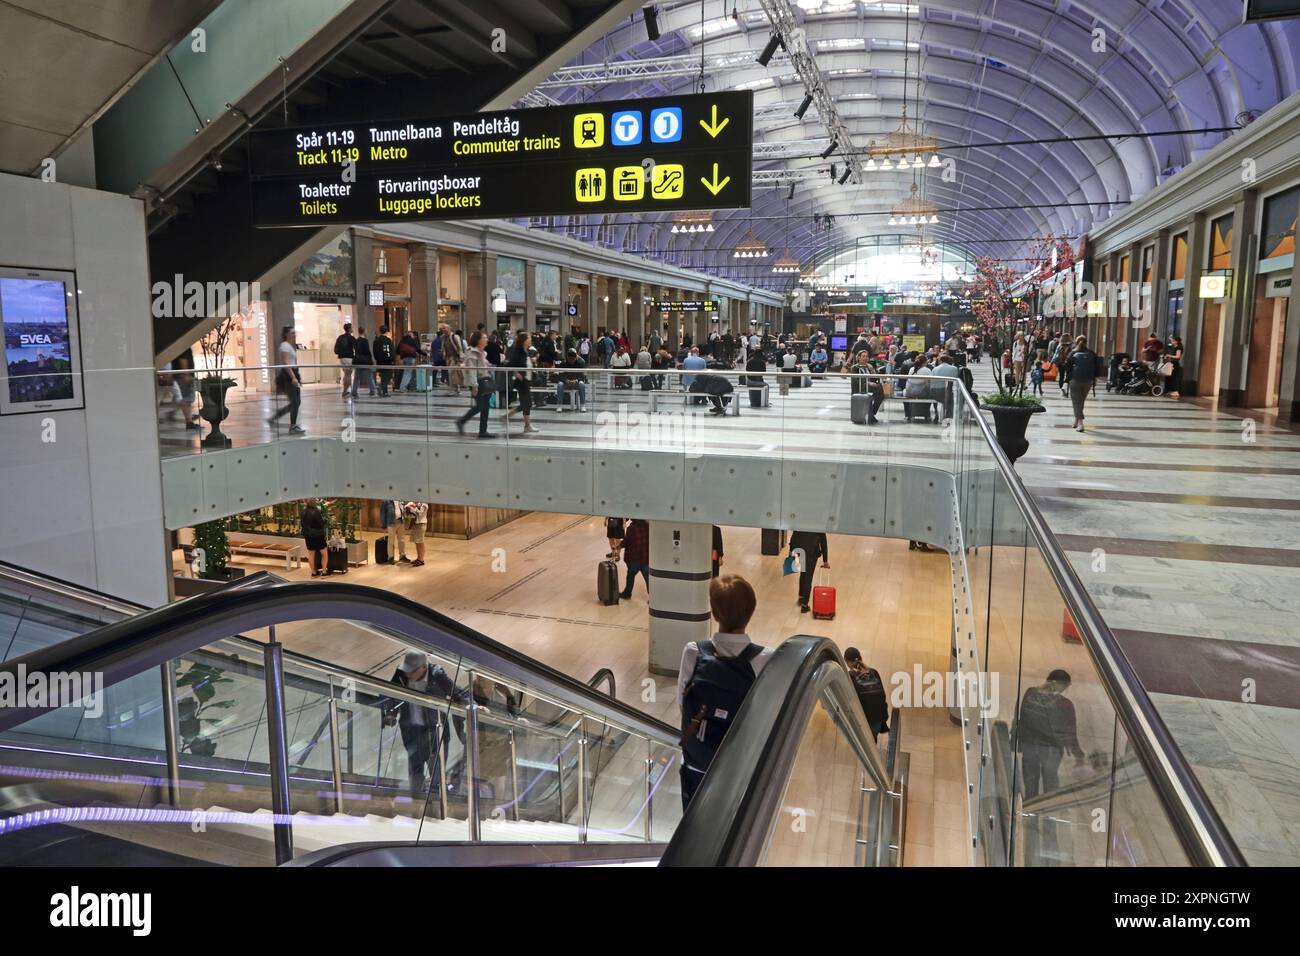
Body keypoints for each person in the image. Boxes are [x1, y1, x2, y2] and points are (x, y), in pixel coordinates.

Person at [677, 574, 772, 808]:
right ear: (751, 612)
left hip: (697, 761)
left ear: (714, 613)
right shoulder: (765, 659)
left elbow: (682, 700)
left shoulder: (694, 652)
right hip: (740, 767)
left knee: (692, 822)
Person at [1013, 669, 1085, 862]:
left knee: (1031, 782)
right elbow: (1069, 731)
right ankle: (1048, 817)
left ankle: (1031, 816)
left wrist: (1018, 743)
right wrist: (1078, 753)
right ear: (1062, 685)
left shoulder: (1030, 693)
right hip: (1051, 751)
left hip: (1030, 747)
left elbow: (1022, 719)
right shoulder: (1065, 705)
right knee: (1051, 781)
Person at [383, 650, 466, 802]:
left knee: (436, 776)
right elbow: (390, 694)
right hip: (412, 732)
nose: (408, 674)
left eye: (412, 671)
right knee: (415, 773)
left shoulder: (437, 675)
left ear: (423, 668)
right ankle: (416, 806)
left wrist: (473, 706)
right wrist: (389, 712)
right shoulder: (401, 673)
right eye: (406, 670)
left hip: (436, 733)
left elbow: (458, 693)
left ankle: (433, 809)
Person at [843, 648, 889, 741]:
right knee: (872, 739)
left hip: (866, 718)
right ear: (860, 657)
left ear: (847, 661)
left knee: (864, 740)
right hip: (879, 716)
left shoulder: (851, 676)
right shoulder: (874, 672)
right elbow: (882, 694)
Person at [456, 330, 496, 438]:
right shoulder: (472, 353)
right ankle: (463, 422)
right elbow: (472, 370)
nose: (486, 339)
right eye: (484, 337)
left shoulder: (482, 352)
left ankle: (482, 431)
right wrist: (474, 385)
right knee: (481, 406)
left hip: (485, 380)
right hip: (477, 382)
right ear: (478, 340)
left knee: (484, 407)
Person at [268, 325, 305, 434]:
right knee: (295, 402)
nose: (294, 334)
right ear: (287, 334)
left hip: (293, 374)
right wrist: (293, 377)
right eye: (292, 333)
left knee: (295, 402)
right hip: (288, 376)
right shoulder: (284, 345)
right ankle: (292, 426)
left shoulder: (289, 345)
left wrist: (297, 377)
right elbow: (286, 362)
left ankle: (274, 419)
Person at [505, 331, 540, 434]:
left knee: (526, 403)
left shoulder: (527, 351)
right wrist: (516, 373)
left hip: (527, 379)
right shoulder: (518, 352)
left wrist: (532, 360)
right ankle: (527, 425)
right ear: (524, 341)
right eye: (528, 338)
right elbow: (510, 364)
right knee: (527, 403)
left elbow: (525, 362)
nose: (530, 340)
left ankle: (508, 416)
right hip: (522, 381)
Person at [788, 529, 829, 614]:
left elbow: (794, 535)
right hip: (812, 552)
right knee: (808, 577)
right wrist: (825, 561)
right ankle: (804, 605)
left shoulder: (804, 521)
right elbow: (823, 543)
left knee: (803, 573)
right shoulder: (819, 525)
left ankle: (801, 597)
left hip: (801, 551)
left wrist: (791, 550)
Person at [1067, 336, 1100, 431]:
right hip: (1088, 381)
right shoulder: (1092, 353)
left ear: (1076, 342)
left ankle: (1081, 424)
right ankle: (1076, 421)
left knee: (1077, 402)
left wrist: (1068, 378)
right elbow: (1097, 367)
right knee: (1081, 401)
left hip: (1075, 380)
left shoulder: (1072, 353)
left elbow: (1067, 366)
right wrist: (1094, 379)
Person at [846, 349, 883, 424]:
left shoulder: (868, 366)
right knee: (878, 389)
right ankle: (871, 415)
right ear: (859, 357)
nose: (865, 358)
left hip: (868, 387)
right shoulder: (855, 368)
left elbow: (876, 378)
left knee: (881, 392)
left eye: (866, 356)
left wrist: (872, 370)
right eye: (863, 356)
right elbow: (856, 380)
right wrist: (869, 383)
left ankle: (872, 413)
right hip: (859, 388)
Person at [618, 517, 649, 599]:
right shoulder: (647, 526)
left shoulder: (631, 528)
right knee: (648, 578)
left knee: (630, 576)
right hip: (645, 557)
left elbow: (627, 541)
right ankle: (653, 598)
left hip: (634, 558)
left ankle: (627, 594)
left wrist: (619, 545)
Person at [300, 498, 328, 576]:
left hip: (308, 535)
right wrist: (325, 520)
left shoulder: (303, 512)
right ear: (314, 503)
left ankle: (313, 572)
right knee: (324, 554)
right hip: (318, 535)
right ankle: (324, 572)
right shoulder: (316, 511)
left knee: (311, 554)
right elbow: (321, 523)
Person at [333, 322, 355, 398]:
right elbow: (356, 348)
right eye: (352, 327)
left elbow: (335, 350)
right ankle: (345, 391)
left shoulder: (340, 337)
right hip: (348, 358)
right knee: (348, 375)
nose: (352, 329)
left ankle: (345, 390)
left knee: (346, 374)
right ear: (349, 329)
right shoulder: (351, 338)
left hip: (341, 358)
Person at [380, 498, 406, 563]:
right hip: (391, 522)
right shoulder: (385, 500)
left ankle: (402, 555)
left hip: (400, 521)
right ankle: (390, 557)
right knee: (391, 540)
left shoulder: (400, 498)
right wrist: (383, 524)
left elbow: (403, 509)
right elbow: (382, 513)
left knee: (402, 539)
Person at [352, 326, 375, 397]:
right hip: (365, 361)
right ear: (364, 331)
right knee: (369, 376)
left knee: (357, 377)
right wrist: (371, 359)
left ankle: (354, 391)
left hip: (358, 360)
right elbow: (367, 351)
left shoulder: (356, 340)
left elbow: (356, 350)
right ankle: (372, 390)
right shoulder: (365, 340)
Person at [404, 500, 428, 567]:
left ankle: (421, 560)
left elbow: (420, 513)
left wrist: (411, 508)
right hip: (416, 524)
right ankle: (419, 558)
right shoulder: (417, 502)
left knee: (420, 542)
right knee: (417, 542)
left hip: (421, 524)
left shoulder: (424, 504)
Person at [373, 325, 395, 397]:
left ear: (380, 331)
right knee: (388, 376)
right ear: (386, 331)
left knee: (382, 376)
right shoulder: (388, 340)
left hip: (379, 361)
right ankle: (384, 391)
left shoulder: (376, 341)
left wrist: (377, 359)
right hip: (388, 361)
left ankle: (382, 388)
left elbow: (374, 351)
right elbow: (391, 351)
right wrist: (392, 359)